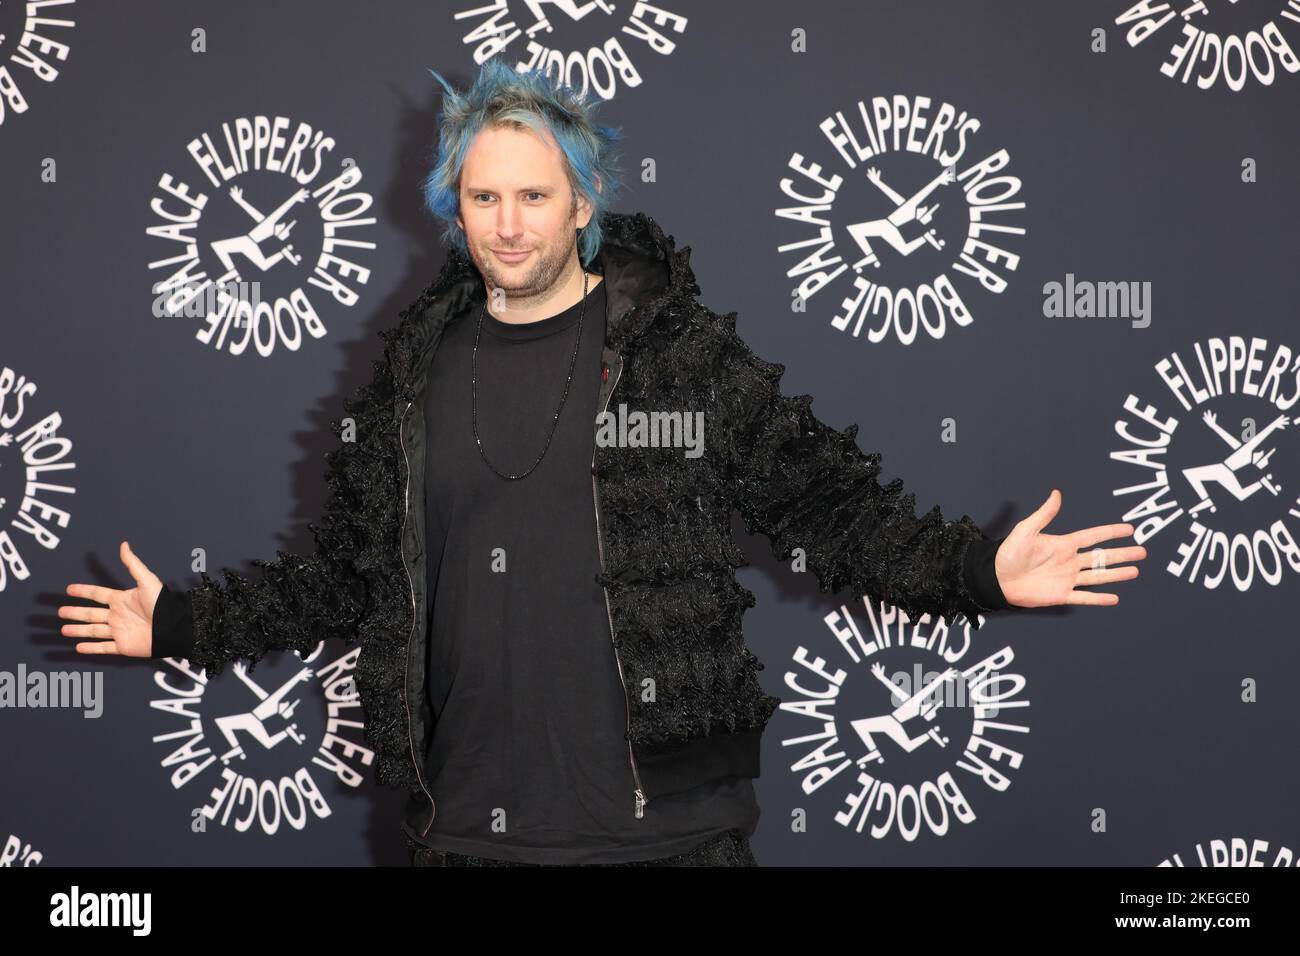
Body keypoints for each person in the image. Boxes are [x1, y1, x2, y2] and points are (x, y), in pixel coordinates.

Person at [58, 61, 1146, 867]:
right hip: (471, 835)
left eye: (534, 196)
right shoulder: (406, 377)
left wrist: (976, 570)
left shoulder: (679, 356)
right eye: (483, 198)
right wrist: (186, 625)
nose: (509, 224)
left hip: (670, 836)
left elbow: (828, 506)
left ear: (583, 203)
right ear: (454, 210)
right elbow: (350, 572)